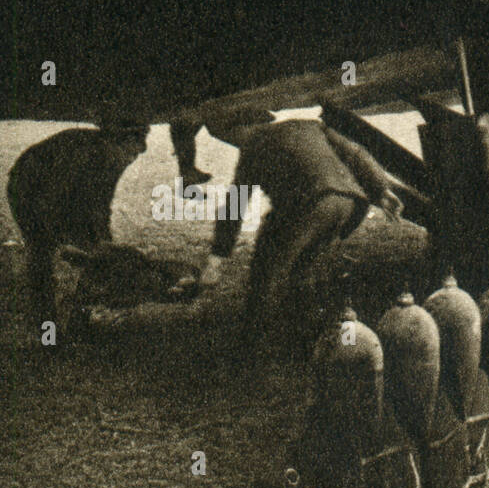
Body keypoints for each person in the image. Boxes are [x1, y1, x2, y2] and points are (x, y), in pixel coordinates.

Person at [198, 111, 403, 341]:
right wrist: (381, 189)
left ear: (241, 128)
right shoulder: (309, 125)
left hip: (311, 205)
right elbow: (355, 152)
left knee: (267, 268)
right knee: (305, 267)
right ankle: (308, 336)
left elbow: (235, 205)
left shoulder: (253, 145)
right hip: (352, 204)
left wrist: (218, 255)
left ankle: (255, 340)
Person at [5, 119, 149, 329]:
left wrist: (103, 243)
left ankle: (82, 316)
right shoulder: (81, 156)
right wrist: (65, 242)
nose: (134, 157)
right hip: (28, 187)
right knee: (42, 253)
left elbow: (101, 204)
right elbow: (52, 204)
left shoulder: (112, 159)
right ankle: (45, 324)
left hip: (61, 194)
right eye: (131, 151)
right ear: (115, 142)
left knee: (94, 251)